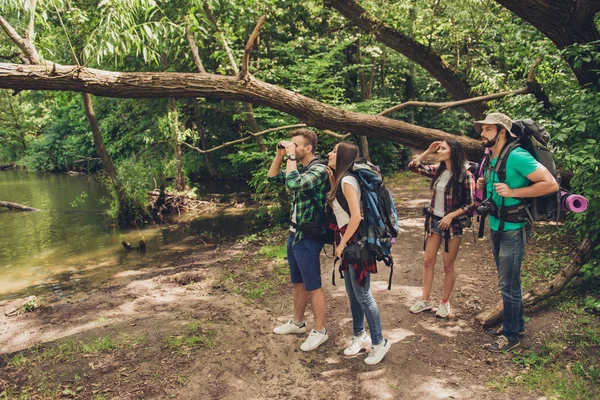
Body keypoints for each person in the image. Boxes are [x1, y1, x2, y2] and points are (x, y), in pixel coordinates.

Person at [474, 112, 559, 352]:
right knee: (509, 282)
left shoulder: (517, 155)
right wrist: (484, 184)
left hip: (514, 229)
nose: (482, 133)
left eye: (488, 129)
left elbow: (550, 184)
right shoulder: (492, 156)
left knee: (508, 285)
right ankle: (516, 325)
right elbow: (499, 184)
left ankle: (511, 336)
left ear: (502, 131)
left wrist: (513, 193)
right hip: (496, 225)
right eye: (482, 129)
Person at [326, 142, 391, 365]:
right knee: (353, 294)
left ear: (343, 156)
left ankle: (379, 342)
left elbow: (356, 217)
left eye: (334, 151)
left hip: (356, 243)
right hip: (349, 242)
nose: (329, 153)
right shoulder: (341, 178)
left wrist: (342, 244)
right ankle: (359, 335)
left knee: (363, 295)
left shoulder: (347, 180)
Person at [268, 128, 330, 352]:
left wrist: (291, 157)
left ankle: (320, 330)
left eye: (296, 145)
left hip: (309, 236)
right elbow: (274, 179)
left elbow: (293, 184)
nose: (291, 148)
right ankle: (297, 323)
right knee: (298, 283)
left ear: (308, 148)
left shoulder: (320, 170)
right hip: (294, 234)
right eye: (290, 144)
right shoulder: (300, 168)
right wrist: (279, 155)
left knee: (313, 286)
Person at [407, 138, 475, 318]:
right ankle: (425, 300)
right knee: (428, 261)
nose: (439, 151)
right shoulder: (439, 170)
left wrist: (451, 215)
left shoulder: (464, 175)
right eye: (439, 149)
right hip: (433, 222)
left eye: (442, 149)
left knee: (447, 265)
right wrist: (427, 151)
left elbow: (471, 204)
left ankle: (444, 302)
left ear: (453, 151)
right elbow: (413, 166)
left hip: (452, 225)